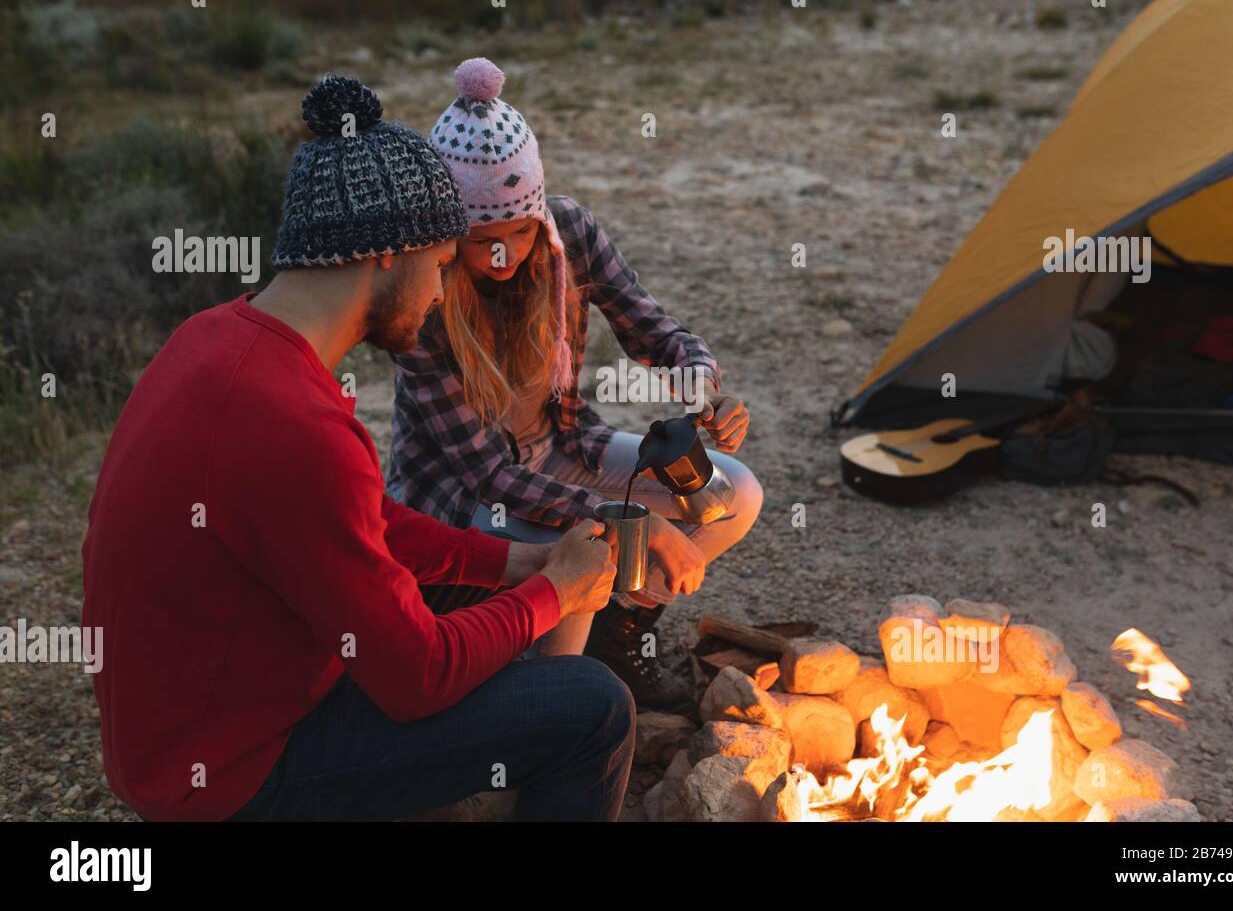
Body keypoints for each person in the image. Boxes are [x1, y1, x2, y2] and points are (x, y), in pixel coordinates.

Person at [80, 75, 632, 822]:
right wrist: (553, 594)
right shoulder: (297, 427)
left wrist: (517, 563)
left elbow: (357, 520)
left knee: (461, 612)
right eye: (439, 268)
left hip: (189, 735)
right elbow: (417, 678)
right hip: (236, 779)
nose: (441, 296)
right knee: (591, 707)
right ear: (383, 253)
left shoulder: (216, 338)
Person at [387, 58, 763, 711]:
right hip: (464, 497)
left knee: (735, 494)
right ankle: (556, 714)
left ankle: (618, 635)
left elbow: (653, 332)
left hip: (563, 445)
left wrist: (701, 389)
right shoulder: (427, 299)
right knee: (585, 552)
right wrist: (623, 520)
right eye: (482, 240)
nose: (503, 255)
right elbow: (487, 477)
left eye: (518, 231)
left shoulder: (571, 237)